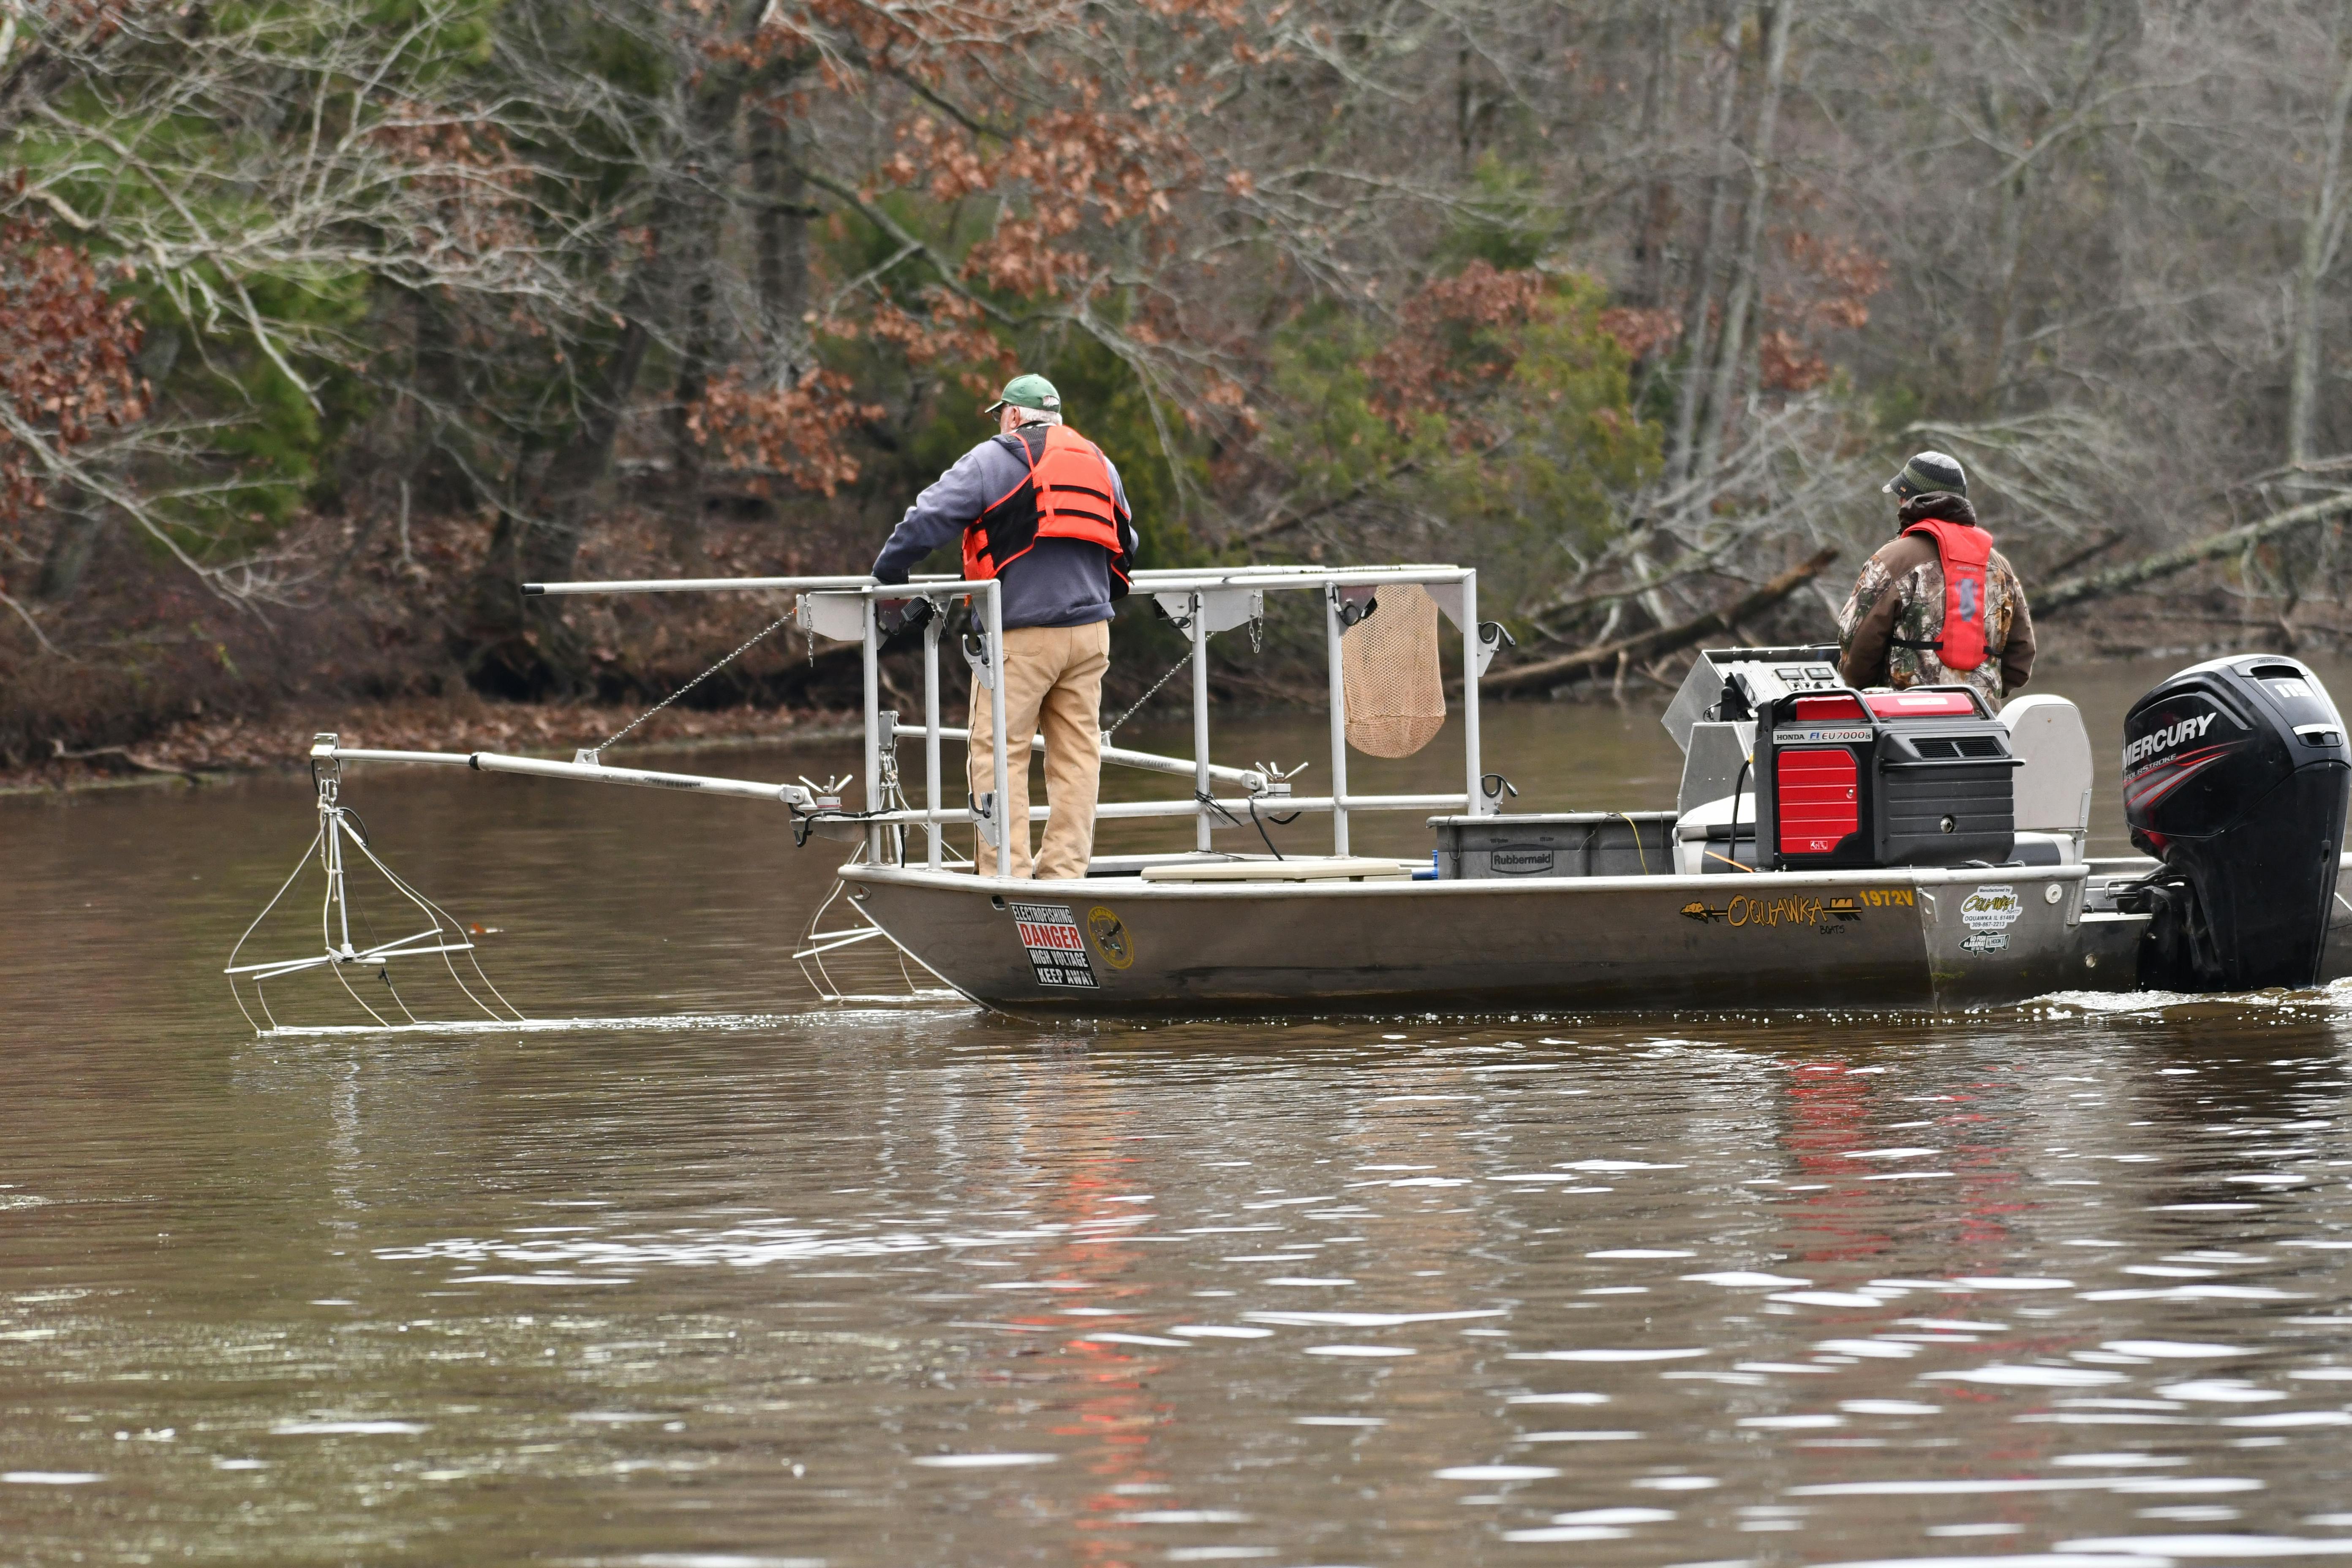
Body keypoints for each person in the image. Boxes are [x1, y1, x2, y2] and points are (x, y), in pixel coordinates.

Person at [871, 374, 1140, 879]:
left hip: (1021, 636)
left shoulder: (994, 460)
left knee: (998, 755)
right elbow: (1129, 541)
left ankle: (1007, 875)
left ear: (1014, 416)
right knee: (1078, 759)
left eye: (1001, 415)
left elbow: (927, 518)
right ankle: (1064, 874)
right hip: (1091, 636)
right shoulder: (1099, 462)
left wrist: (890, 573)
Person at [1837, 449, 2036, 703]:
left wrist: (1866, 687)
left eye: (1901, 495)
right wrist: (1985, 693)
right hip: (1982, 723)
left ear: (1908, 499)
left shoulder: (1893, 560)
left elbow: (1855, 644)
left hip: (1902, 721)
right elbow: (2021, 659)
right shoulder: (2000, 566)